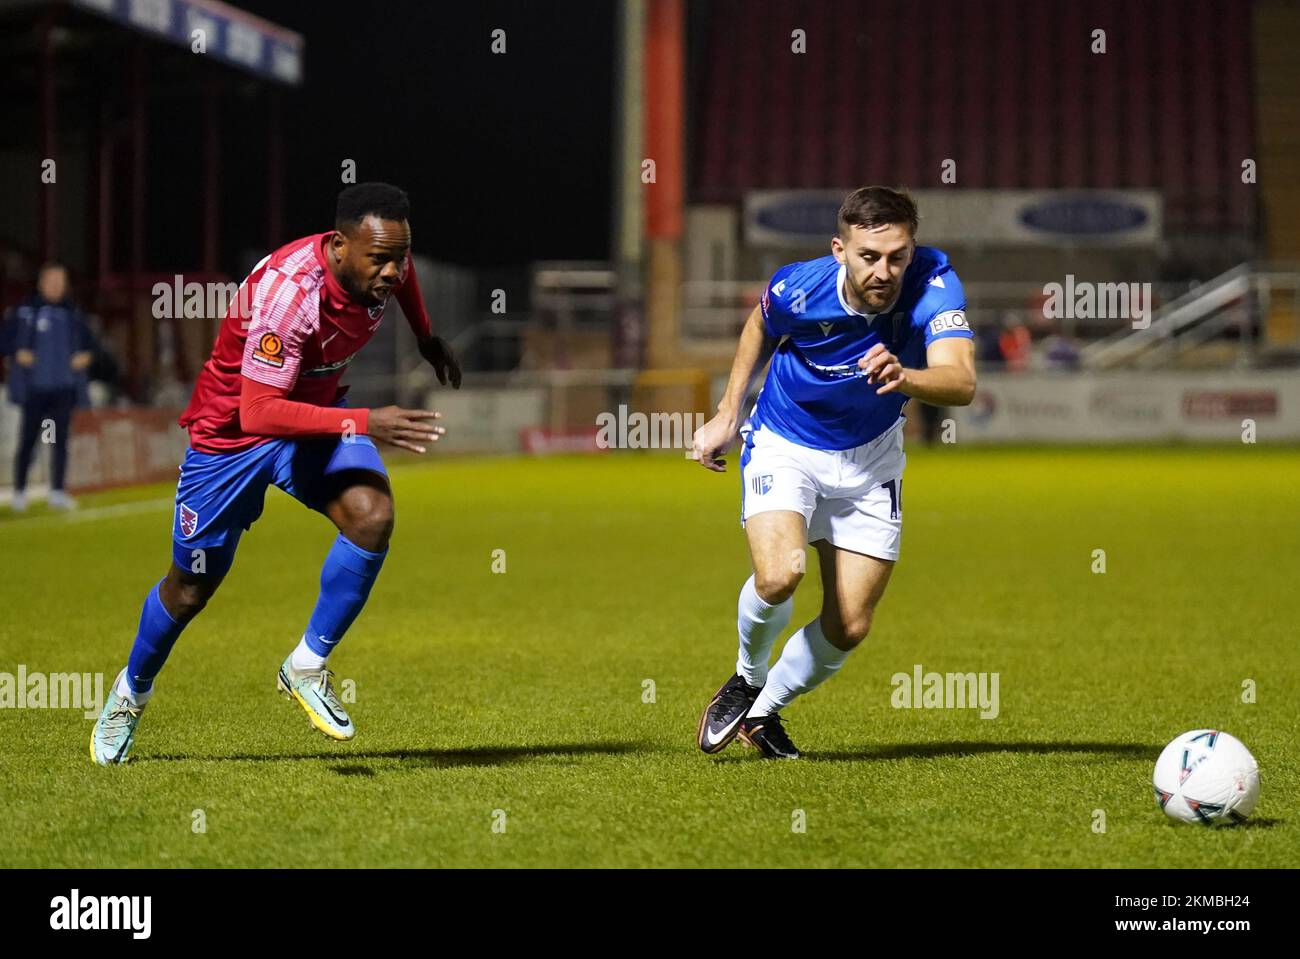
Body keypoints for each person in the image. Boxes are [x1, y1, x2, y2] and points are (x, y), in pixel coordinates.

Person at [90, 182, 462, 765]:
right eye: (380, 259)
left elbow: (406, 277)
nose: (392, 271)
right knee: (191, 589)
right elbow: (257, 411)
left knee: (372, 516)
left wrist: (426, 336)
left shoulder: (383, 260)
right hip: (233, 438)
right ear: (340, 246)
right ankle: (127, 696)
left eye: (399, 255)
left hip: (309, 422)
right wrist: (367, 421)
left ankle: (307, 665)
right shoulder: (291, 297)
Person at [691, 186, 976, 759]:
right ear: (840, 249)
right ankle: (747, 677)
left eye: (897, 255)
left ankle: (764, 713)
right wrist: (727, 412)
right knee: (779, 577)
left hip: (871, 462)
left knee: (850, 625)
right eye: (869, 256)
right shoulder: (799, 286)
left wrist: (907, 376)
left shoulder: (934, 283)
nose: (885, 271)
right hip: (786, 443)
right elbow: (759, 324)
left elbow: (962, 382)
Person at [4, 263, 95, 511]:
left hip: (62, 390)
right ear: (41, 283)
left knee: (58, 441)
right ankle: (20, 492)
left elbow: (91, 346)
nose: (56, 286)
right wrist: (15, 352)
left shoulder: (73, 313)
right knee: (28, 441)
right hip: (35, 389)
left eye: (60, 281)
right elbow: (6, 339)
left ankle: (57, 491)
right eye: (51, 281)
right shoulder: (25, 311)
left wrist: (85, 356)